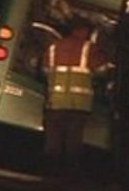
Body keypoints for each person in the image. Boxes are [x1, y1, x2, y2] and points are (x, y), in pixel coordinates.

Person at [42, 16, 105, 179]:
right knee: (73, 141)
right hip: (78, 105)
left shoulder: (54, 47)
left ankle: (49, 175)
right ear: (84, 31)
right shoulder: (89, 48)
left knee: (53, 140)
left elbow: (45, 70)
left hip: (55, 102)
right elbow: (102, 70)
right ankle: (69, 177)